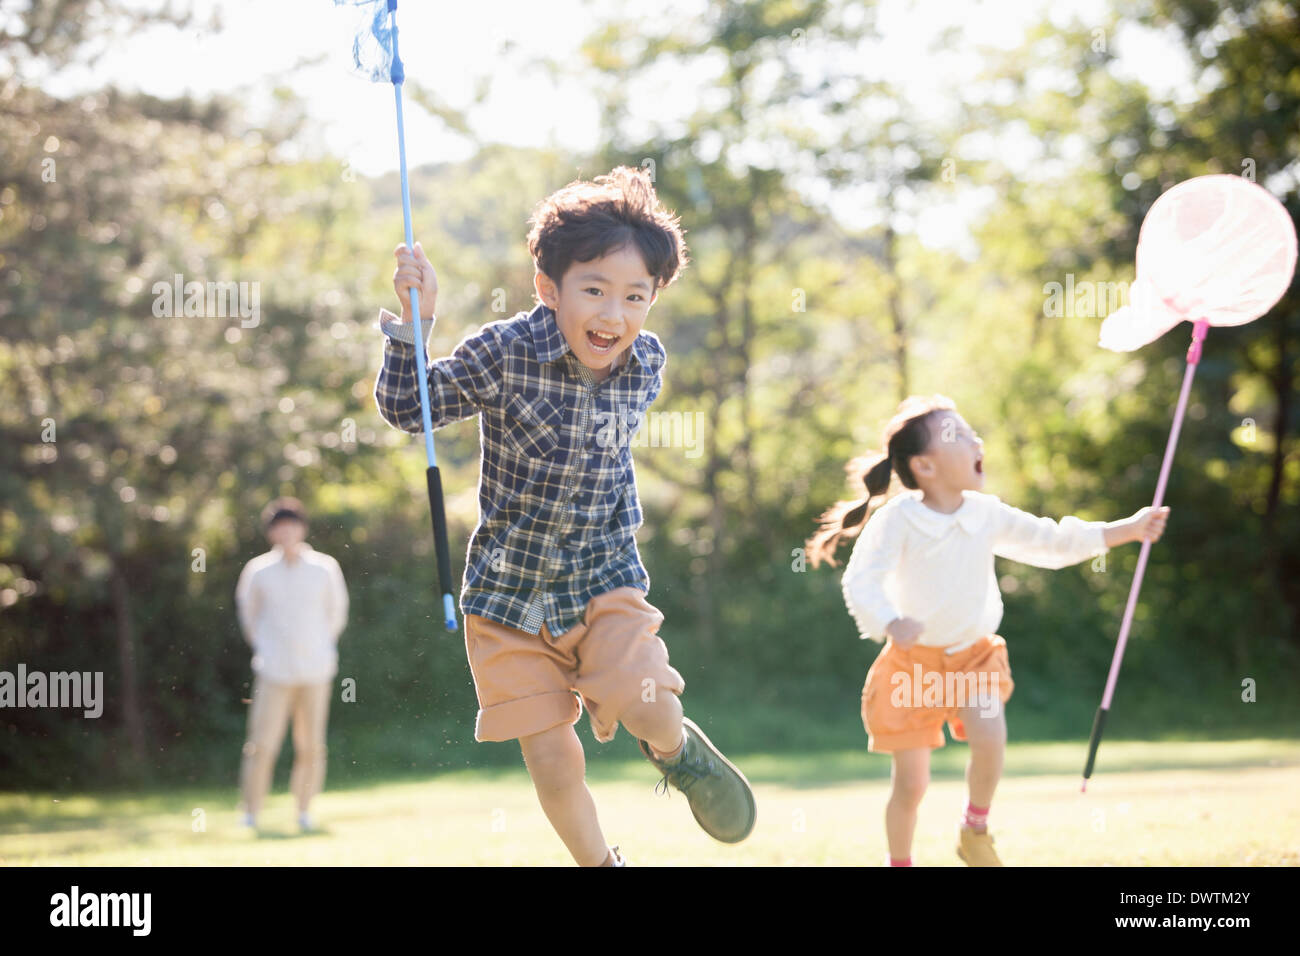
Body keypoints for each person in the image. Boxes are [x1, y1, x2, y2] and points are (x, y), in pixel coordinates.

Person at [372, 166, 756, 866]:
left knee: (644, 703)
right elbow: (410, 409)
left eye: (636, 297)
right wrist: (413, 327)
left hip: (601, 577)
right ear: (549, 289)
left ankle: (676, 750)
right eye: (595, 291)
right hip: (506, 598)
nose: (614, 315)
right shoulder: (503, 352)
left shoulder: (644, 363)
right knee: (552, 756)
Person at [806, 394, 1169, 866]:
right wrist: (890, 621)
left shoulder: (986, 513)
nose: (975, 439)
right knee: (911, 785)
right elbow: (862, 579)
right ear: (925, 466)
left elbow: (1051, 541)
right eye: (957, 435)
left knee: (990, 738)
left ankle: (974, 829)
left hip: (973, 656)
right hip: (911, 667)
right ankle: (900, 861)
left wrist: (1127, 529)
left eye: (971, 430)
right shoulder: (900, 519)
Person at [234, 497, 348, 833]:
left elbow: (336, 614)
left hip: (316, 670)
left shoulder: (325, 567)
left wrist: (318, 647)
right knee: (261, 744)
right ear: (271, 532)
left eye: (292, 524)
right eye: (279, 526)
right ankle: (251, 812)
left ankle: (304, 810)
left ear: (302, 527)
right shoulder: (258, 571)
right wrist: (269, 650)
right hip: (273, 671)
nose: (286, 532)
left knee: (311, 745)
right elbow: (249, 617)